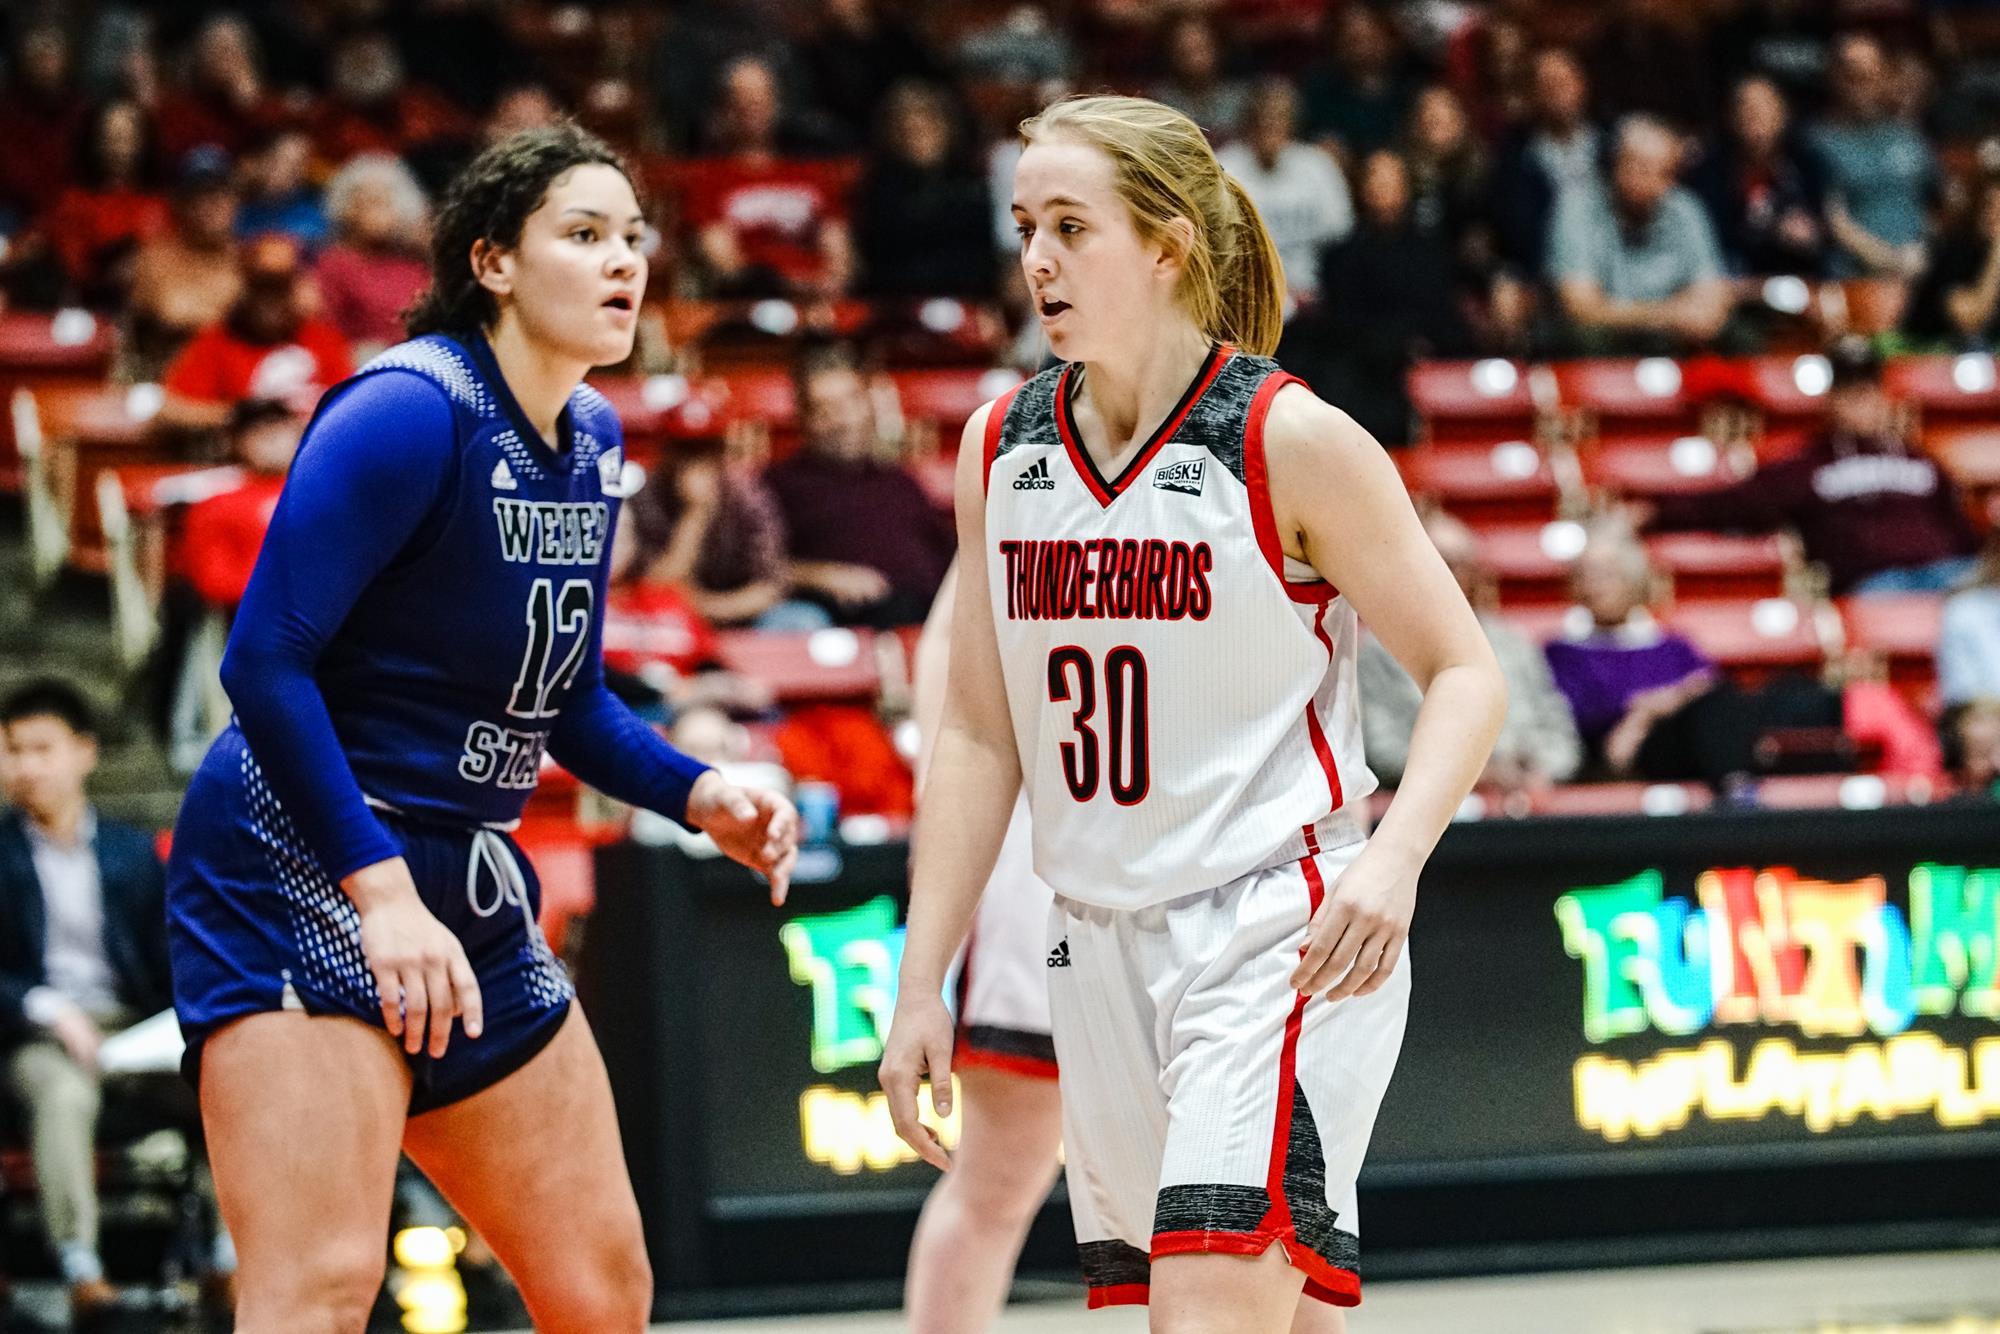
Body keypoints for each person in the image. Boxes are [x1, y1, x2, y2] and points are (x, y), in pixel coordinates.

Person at [879, 95, 1507, 1332]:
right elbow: (975, 734)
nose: (1038, 260)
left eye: (1071, 225)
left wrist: (1391, 863)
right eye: (1023, 228)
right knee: (1267, 1312)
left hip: (1275, 925)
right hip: (1093, 939)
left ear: (1164, 244)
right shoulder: (997, 448)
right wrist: (919, 981)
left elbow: (1465, 671)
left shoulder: (1288, 438)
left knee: (1202, 1314)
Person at [163, 122, 800, 1333]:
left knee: (603, 1289)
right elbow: (263, 661)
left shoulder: (593, 441)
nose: (622, 260)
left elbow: (564, 696)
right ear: (491, 261)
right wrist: (382, 890)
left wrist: (694, 790)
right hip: (303, 859)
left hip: (463, 872)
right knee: (319, 1288)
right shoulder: (407, 411)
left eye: (632, 236)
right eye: (583, 233)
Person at [902, 560, 1063, 1333]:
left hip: (1208, 871)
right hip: (1040, 867)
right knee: (998, 1180)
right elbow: (948, 650)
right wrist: (943, 816)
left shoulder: (1250, 462)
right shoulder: (1024, 469)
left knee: (1251, 1190)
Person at [0, 682, 176, 1321]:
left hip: (130, 1028)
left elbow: (167, 958)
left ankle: (229, 1259)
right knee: (63, 1094)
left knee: (224, 1080)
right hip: (33, 1037)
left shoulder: (131, 853)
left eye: (41, 749)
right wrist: (49, 1009)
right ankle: (83, 1272)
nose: (25, 767)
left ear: (84, 752)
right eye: (13, 750)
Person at [1640, 337, 1981, 595]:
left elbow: (1963, 531)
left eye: (1868, 390)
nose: (1861, 401)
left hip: (1950, 575)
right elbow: (1733, 504)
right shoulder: (1808, 465)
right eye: (1850, 392)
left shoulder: (1921, 460)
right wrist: (1654, 511)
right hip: (1878, 584)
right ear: (1831, 401)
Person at [1360, 511, 1581, 793]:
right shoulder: (1379, 648)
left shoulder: (1515, 642)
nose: (1450, 575)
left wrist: (1539, 770)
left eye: (1460, 565)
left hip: (1525, 798)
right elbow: (1384, 750)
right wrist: (1477, 776)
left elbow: (1560, 734)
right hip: (1431, 802)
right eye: (1440, 562)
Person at [765, 344, 956, 627]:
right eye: (825, 409)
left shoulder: (900, 481)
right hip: (848, 625)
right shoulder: (778, 484)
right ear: (804, 420)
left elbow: (949, 557)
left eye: (852, 401)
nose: (844, 420)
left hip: (932, 619)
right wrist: (821, 576)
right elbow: (753, 570)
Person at [1547, 115, 1733, 355]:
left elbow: (1713, 293)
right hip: (1608, 340)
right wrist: (1669, 314)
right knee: (1585, 338)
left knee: (1734, 332)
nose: (1635, 176)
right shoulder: (1577, 208)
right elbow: (1580, 307)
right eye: (1629, 162)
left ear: (1670, 177)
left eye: (1649, 168)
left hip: (1672, 339)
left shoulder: (1686, 210)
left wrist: (1698, 312)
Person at [158, 233, 356, 433]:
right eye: (260, 289)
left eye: (279, 289)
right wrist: (237, 414)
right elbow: (170, 408)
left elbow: (352, 409)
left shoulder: (322, 338)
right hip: (242, 454)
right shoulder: (218, 339)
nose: (269, 302)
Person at [1808, 32, 1936, 281]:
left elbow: (1934, 204)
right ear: (1834, 77)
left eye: (1870, 73)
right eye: (1851, 73)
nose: (1861, 82)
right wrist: (1890, 261)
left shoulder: (1908, 136)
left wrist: (1926, 251)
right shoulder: (1817, 143)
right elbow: (1832, 219)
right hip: (1856, 277)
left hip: (1919, 270)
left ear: (1884, 77)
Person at [1216, 79, 1353, 311]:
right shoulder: (1225, 166)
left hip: (1314, 299)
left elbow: (1341, 233)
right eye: (1264, 120)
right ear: (1249, 123)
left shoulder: (1316, 165)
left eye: (1279, 119)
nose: (1271, 127)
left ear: (1292, 124)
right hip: (1244, 301)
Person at [1687, 76, 1823, 279]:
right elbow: (1708, 240)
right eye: (1746, 108)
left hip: (1801, 276)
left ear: (1784, 113)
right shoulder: (1709, 172)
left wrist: (1814, 234)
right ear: (1730, 117)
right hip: (1735, 281)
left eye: (1765, 107)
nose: (1755, 116)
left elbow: (1827, 224)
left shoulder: (1807, 165)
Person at [314, 152, 433, 356]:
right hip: (362, 362)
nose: (383, 213)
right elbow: (325, 330)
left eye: (388, 203)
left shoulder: (413, 261)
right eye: (372, 202)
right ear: (348, 208)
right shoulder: (336, 263)